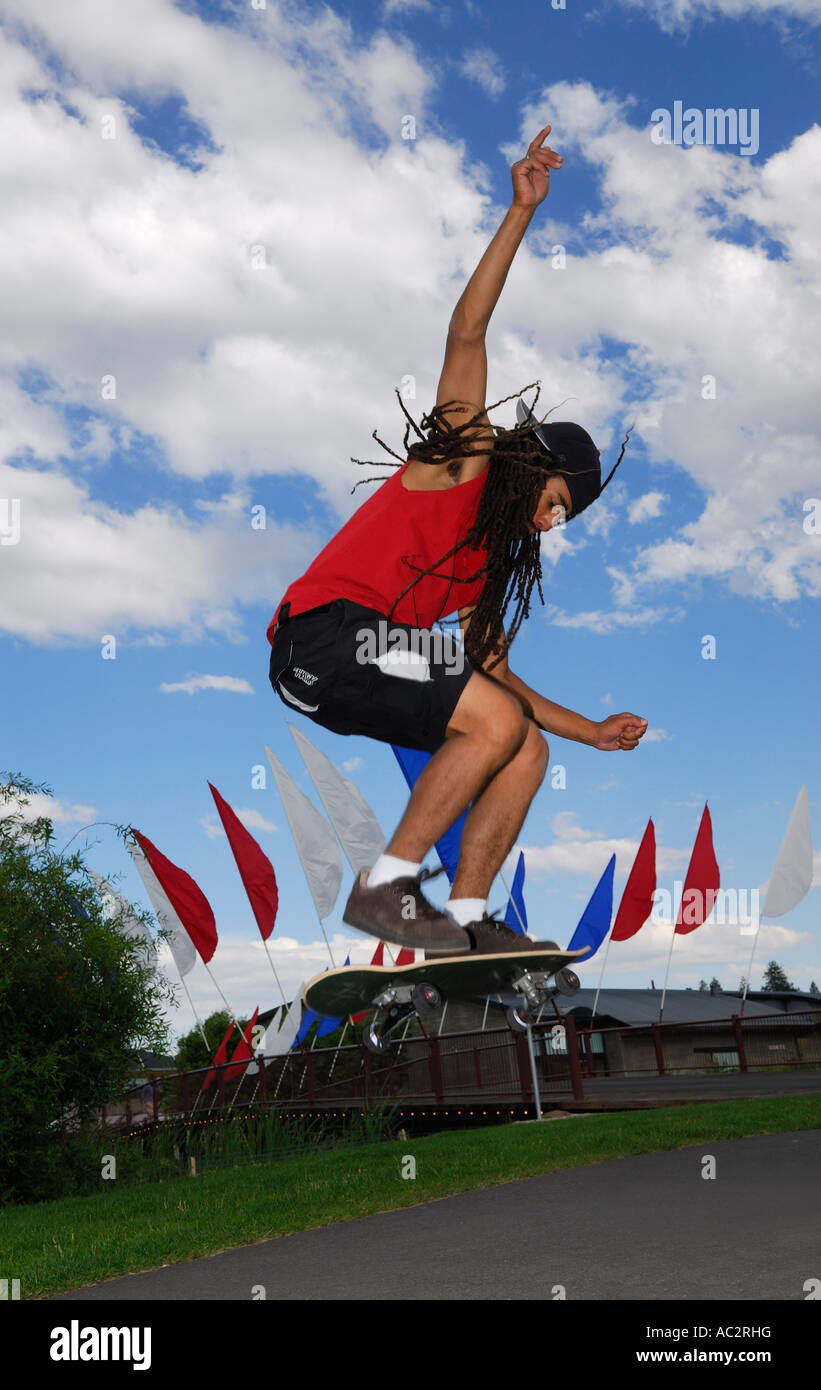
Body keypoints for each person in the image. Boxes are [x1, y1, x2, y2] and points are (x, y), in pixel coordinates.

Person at [268, 123, 648, 957]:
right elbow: (467, 335)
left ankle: (469, 917)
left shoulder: (484, 571)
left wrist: (590, 732)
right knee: (491, 718)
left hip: (365, 666)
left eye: (560, 520)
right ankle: (388, 888)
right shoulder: (462, 460)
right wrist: (520, 213)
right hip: (320, 637)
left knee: (521, 741)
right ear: (529, 467)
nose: (549, 524)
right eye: (553, 503)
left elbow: (494, 679)